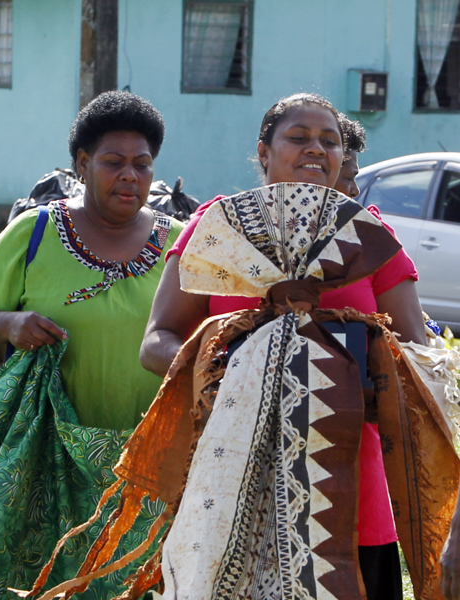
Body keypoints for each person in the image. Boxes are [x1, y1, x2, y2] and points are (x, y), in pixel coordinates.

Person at [139, 93, 425, 600]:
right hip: (227, 483)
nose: (315, 149)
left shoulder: (369, 239)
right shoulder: (219, 231)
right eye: (298, 137)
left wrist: (355, 363)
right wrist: (242, 365)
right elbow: (157, 342)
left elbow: (417, 355)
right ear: (264, 151)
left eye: (329, 141)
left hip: (347, 488)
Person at [0, 91, 183, 431]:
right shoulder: (35, 231)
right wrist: (9, 324)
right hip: (48, 456)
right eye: (114, 162)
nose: (130, 175)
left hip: (152, 456)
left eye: (142, 164)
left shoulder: (182, 242)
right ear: (83, 165)